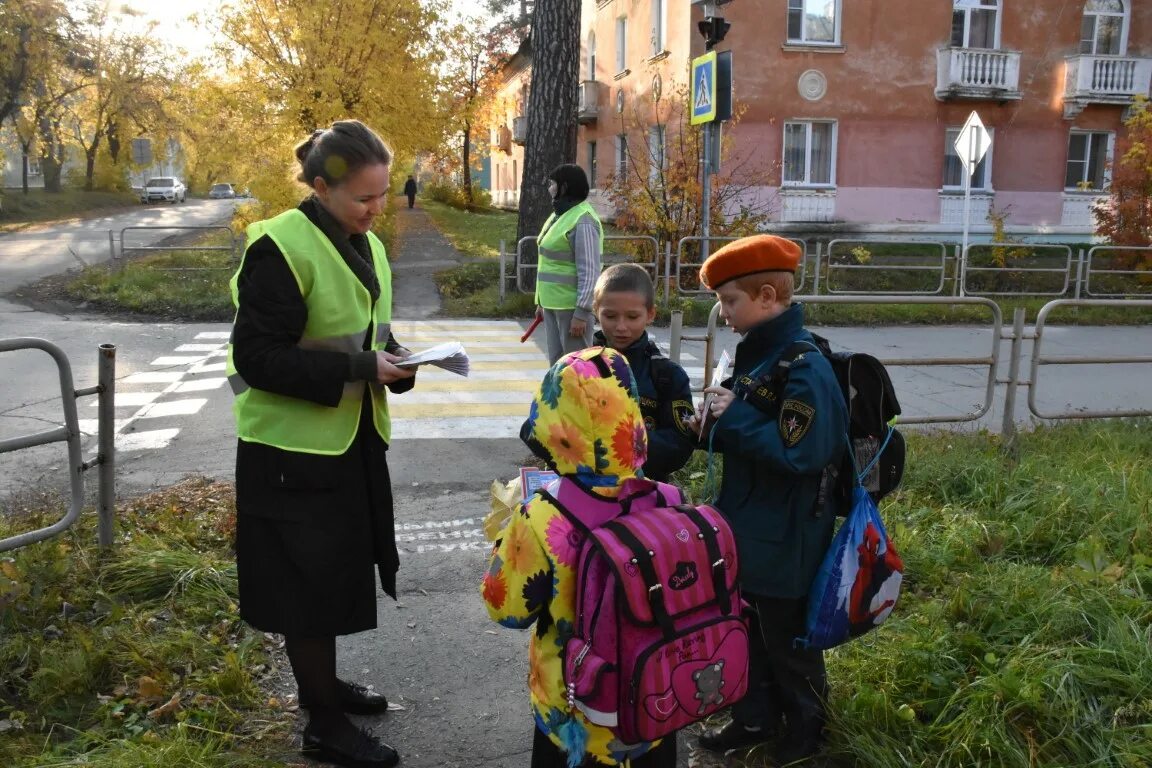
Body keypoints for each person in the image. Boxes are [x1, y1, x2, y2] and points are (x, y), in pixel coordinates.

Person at [226, 119, 415, 768]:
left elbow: (368, 334)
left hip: (349, 442)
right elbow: (257, 357)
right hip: (290, 455)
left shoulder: (368, 245)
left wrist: (399, 360)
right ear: (319, 187)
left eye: (383, 194)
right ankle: (323, 725)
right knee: (305, 589)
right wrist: (361, 369)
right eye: (364, 198)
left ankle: (323, 687)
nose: (377, 209)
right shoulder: (279, 246)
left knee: (333, 577)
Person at [687, 234, 848, 764]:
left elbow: (802, 455)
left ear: (766, 296)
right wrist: (707, 424)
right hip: (750, 526)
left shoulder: (804, 366)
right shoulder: (758, 356)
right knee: (747, 627)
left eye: (729, 301)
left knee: (788, 641)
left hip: (789, 533)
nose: (722, 312)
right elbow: (747, 430)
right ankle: (754, 718)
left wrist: (735, 416)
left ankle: (807, 733)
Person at [482, 347, 677, 768]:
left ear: (553, 425)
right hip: (656, 703)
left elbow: (507, 610)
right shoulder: (669, 501)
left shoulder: (541, 516)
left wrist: (504, 541)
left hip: (575, 714)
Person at [592, 263, 695, 482]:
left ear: (650, 314)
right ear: (595, 310)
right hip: (586, 493)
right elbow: (539, 430)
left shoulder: (667, 375)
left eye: (632, 317)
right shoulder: (578, 367)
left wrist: (625, 443)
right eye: (610, 316)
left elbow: (680, 445)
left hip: (646, 495)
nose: (621, 326)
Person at [533, 163, 602, 364]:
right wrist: (540, 302)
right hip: (552, 304)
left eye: (552, 184)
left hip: (571, 307)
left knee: (576, 368)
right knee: (557, 364)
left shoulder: (583, 219)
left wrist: (582, 313)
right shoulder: (560, 215)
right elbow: (548, 263)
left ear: (564, 187)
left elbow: (590, 272)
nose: (549, 188)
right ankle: (559, 397)